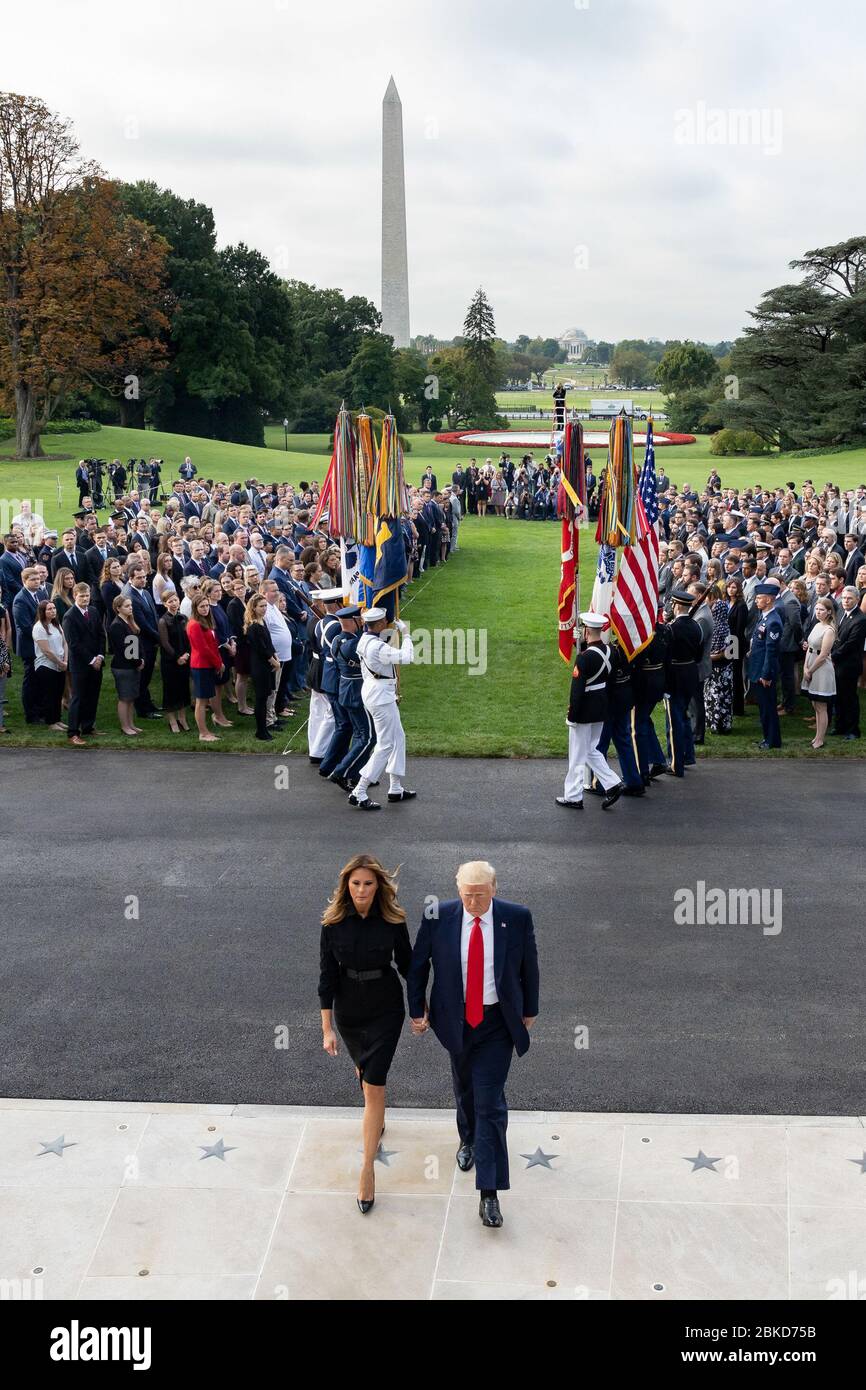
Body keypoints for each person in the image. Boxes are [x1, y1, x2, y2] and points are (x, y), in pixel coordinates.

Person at [407, 860, 539, 1229]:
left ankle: (490, 1195)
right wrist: (416, 1009)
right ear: (457, 888)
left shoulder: (516, 917)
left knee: (490, 1104)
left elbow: (530, 965)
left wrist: (530, 1009)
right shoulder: (438, 916)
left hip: (497, 1024)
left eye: (481, 895)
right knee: (465, 1089)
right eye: (467, 895)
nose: (474, 903)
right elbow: (419, 966)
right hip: (456, 1021)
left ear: (494, 888)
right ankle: (467, 1139)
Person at [319, 855, 412, 1213]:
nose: (361, 890)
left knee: (374, 1084)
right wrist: (327, 1029)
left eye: (368, 884)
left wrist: (420, 1009)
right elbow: (326, 977)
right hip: (349, 1013)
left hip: (386, 1009)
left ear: (378, 887)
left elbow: (409, 966)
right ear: (346, 886)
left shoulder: (392, 920)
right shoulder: (332, 924)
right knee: (364, 1075)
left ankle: (367, 1170)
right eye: (355, 884)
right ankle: (378, 1122)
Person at [349, 608, 415, 810]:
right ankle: (359, 791)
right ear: (377, 625)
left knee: (398, 737)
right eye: (384, 621)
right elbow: (407, 657)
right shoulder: (377, 647)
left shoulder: (364, 639)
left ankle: (395, 787)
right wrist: (406, 634)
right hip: (380, 695)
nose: (387, 623)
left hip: (375, 690)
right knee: (386, 744)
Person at [557, 612, 622, 810]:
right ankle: (612, 783)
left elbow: (577, 691)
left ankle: (574, 796)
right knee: (591, 750)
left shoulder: (584, 659)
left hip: (584, 710)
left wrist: (572, 715)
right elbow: (607, 677)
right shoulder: (611, 651)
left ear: (586, 631)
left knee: (577, 754)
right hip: (601, 706)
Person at [665, 588, 704, 775]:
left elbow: (667, 655)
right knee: (684, 715)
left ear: (676, 605)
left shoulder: (672, 628)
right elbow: (698, 654)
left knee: (674, 721)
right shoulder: (696, 626)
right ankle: (688, 755)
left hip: (675, 674)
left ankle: (675, 763)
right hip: (690, 672)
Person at [62, 583, 105, 746]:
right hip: (80, 665)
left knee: (93, 696)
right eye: (82, 596)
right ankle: (73, 732)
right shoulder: (69, 616)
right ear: (75, 596)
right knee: (78, 698)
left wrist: (100, 656)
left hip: (97, 662)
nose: (85, 598)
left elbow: (101, 635)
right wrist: (92, 660)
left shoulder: (93, 611)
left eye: (87, 595)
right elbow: (73, 643)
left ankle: (88, 726)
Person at [747, 583, 784, 749]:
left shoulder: (773, 621)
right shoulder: (765, 617)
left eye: (759, 598)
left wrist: (766, 675)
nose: (756, 601)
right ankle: (767, 738)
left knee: (768, 708)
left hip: (764, 672)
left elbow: (771, 651)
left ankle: (772, 740)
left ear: (769, 600)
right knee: (763, 708)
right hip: (758, 668)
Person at [187, 593, 225, 743]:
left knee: (205, 700)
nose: (205, 609)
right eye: (201, 606)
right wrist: (218, 663)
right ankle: (203, 733)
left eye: (207, 606)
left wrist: (218, 661)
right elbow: (203, 649)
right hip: (201, 665)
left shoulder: (205, 622)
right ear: (195, 608)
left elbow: (213, 645)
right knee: (201, 701)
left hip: (208, 664)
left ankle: (205, 731)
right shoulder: (194, 624)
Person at [801, 597, 837, 749]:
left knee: (821, 706)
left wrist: (810, 670)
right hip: (810, 665)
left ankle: (820, 739)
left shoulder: (829, 630)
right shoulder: (816, 625)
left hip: (821, 670)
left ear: (829, 612)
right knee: (815, 705)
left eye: (821, 610)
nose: (818, 612)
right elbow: (809, 647)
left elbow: (823, 655)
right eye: (816, 609)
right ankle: (816, 736)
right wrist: (804, 668)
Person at [831, 586, 866, 739]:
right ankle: (840, 726)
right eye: (844, 598)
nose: (845, 601)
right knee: (838, 697)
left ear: (857, 600)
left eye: (849, 598)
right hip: (838, 663)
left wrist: (831, 656)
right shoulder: (840, 612)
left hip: (849, 665)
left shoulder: (860, 619)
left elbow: (850, 644)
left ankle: (853, 730)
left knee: (849, 698)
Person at [245, 594, 280, 741]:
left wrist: (275, 657)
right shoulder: (254, 626)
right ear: (254, 607)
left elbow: (269, 643)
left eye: (265, 606)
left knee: (265, 697)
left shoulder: (262, 622)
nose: (264, 609)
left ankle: (263, 728)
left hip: (267, 664)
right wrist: (274, 661)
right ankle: (261, 730)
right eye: (261, 606)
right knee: (260, 698)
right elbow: (261, 649)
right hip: (260, 666)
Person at [108, 594, 144, 737]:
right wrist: (138, 662)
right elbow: (126, 650)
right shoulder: (117, 625)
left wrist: (141, 658)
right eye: (127, 606)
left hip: (132, 665)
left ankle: (131, 724)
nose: (130, 608)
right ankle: (125, 726)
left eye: (130, 605)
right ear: (118, 608)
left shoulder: (129, 622)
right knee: (125, 697)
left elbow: (136, 644)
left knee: (131, 697)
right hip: (123, 667)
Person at [11, 567, 43, 724]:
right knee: (31, 681)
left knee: (40, 680)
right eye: (33, 579)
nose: (37, 581)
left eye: (38, 579)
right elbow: (25, 626)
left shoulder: (40, 594)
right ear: (24, 581)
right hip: (29, 647)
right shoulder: (20, 599)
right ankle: (31, 714)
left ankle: (40, 709)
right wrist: (44, 638)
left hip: (41, 645)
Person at [31, 599, 68, 730]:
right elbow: (46, 651)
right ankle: (51, 722)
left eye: (54, 608)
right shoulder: (39, 628)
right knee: (50, 694)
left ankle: (57, 719)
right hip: (46, 666)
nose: (53, 611)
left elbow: (65, 643)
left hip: (60, 664)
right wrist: (59, 662)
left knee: (58, 693)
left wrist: (65, 661)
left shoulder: (56, 625)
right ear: (43, 612)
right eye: (49, 609)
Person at [158, 590, 191, 733]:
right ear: (165, 604)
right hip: (170, 661)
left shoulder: (183, 617)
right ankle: (172, 721)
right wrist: (177, 657)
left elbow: (189, 638)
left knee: (183, 689)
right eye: (170, 601)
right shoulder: (163, 620)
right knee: (171, 691)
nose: (173, 603)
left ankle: (182, 718)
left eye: (175, 600)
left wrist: (187, 654)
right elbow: (165, 643)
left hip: (185, 658)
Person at [704, 584, 734, 735]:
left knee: (717, 696)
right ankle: (718, 723)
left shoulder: (723, 628)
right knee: (717, 696)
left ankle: (718, 724)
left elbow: (729, 653)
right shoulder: (721, 627)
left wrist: (709, 657)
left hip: (719, 668)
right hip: (719, 669)